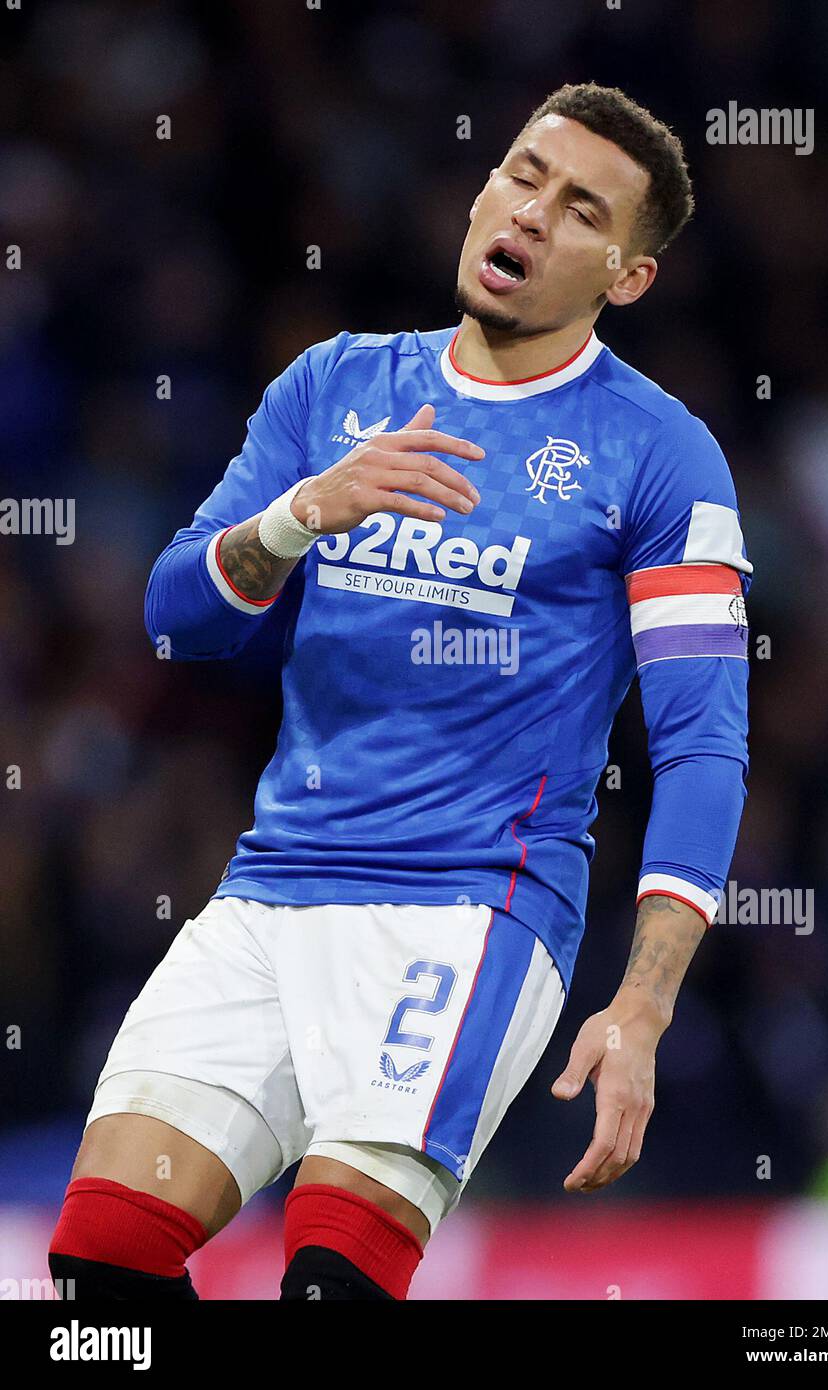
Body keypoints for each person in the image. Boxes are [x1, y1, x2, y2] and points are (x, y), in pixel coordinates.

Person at [49, 82, 752, 1301]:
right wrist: (301, 513)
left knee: (330, 1282)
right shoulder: (333, 387)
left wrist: (640, 1007)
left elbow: (700, 747)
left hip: (470, 912)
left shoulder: (660, 453)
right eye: (524, 174)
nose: (532, 210)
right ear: (483, 190)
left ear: (625, 277)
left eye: (581, 208)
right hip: (273, 892)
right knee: (99, 1272)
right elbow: (177, 616)